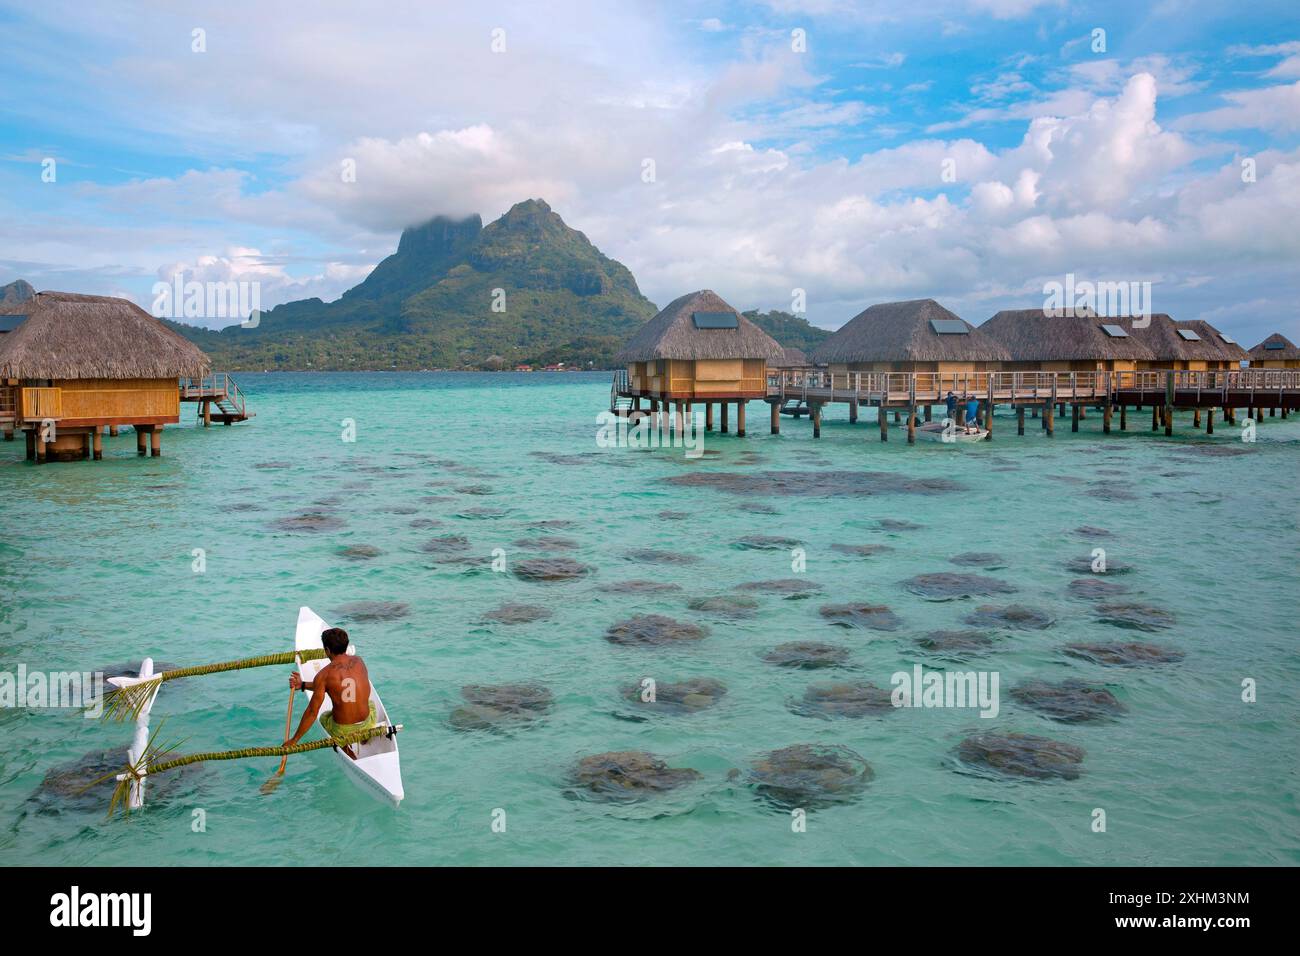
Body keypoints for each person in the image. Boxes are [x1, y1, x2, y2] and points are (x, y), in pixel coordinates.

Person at [285, 626, 374, 760]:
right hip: (367, 722)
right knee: (371, 704)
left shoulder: (324, 675)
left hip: (343, 730)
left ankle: (347, 751)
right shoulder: (359, 661)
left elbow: (312, 712)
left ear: (327, 650)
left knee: (324, 717)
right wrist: (303, 685)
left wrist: (294, 740)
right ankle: (365, 737)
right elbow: (337, 685)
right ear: (346, 646)